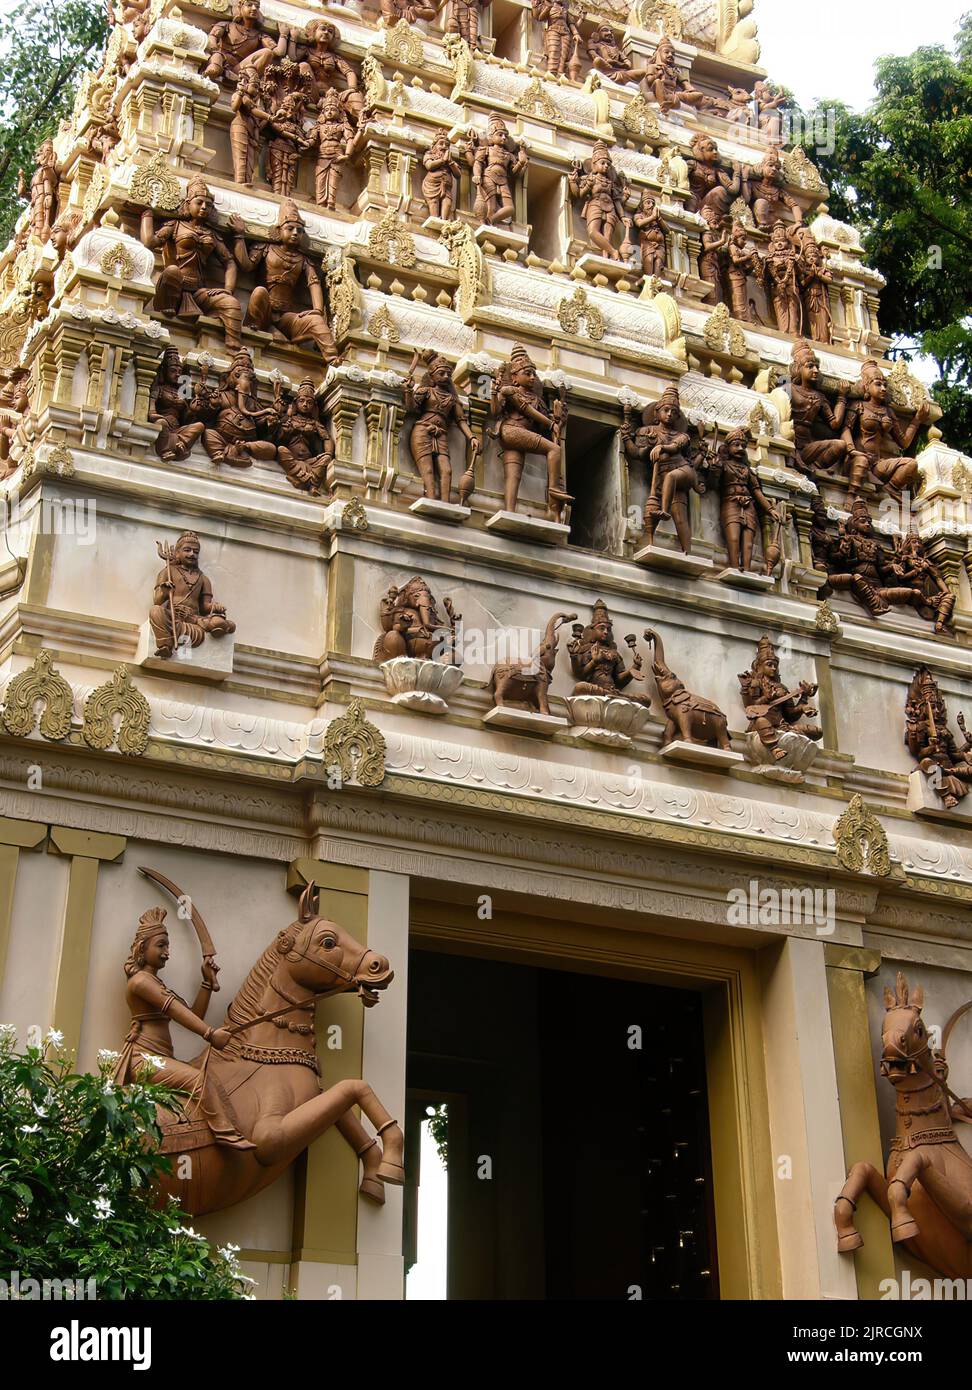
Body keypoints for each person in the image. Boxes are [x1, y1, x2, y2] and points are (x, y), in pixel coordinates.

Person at [113, 907, 254, 1149]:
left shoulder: (155, 983)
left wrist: (207, 983)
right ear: (142, 948)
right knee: (199, 1080)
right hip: (144, 1060)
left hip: (161, 1058)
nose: (167, 953)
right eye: (161, 945)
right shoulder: (140, 983)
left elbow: (192, 1014)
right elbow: (175, 1011)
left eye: (168, 946)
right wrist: (210, 1035)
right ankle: (225, 1133)